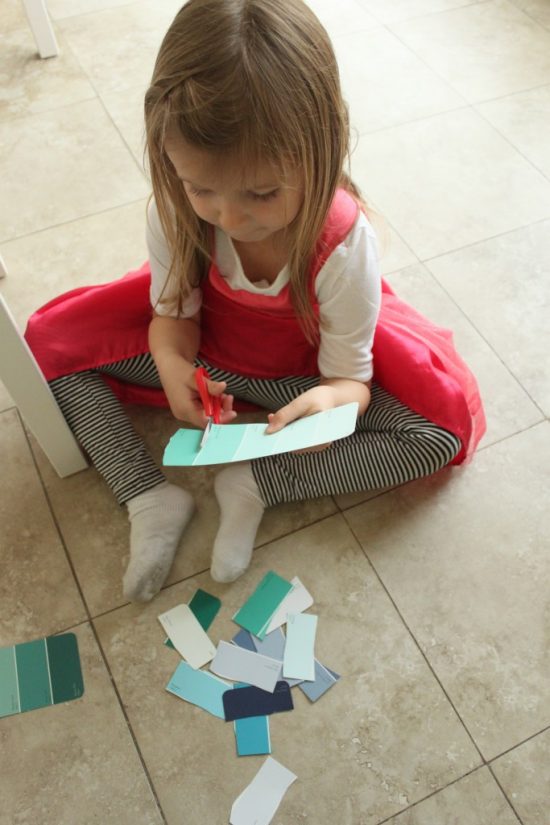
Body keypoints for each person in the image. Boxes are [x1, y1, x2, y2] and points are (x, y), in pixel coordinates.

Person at [25, 0, 485, 603]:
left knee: (434, 437)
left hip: (299, 377)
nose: (231, 218)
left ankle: (258, 482)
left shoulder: (343, 246)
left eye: (262, 194)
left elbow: (350, 379)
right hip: (215, 362)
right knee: (47, 359)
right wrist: (171, 366)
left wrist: (330, 404)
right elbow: (172, 318)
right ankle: (146, 493)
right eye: (201, 189)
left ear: (320, 152)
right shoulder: (176, 216)